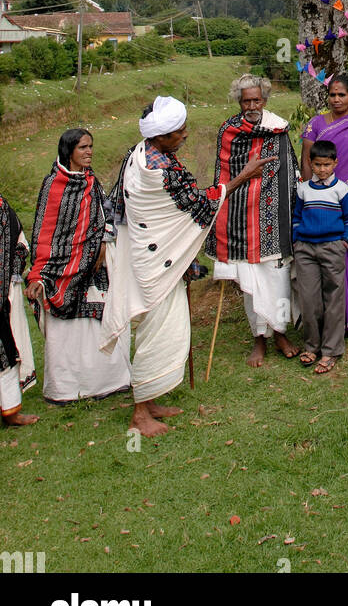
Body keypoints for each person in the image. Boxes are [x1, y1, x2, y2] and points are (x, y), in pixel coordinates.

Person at [100, 96, 269, 438]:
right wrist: (243, 176)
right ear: (160, 137)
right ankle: (139, 415)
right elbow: (199, 204)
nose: (185, 135)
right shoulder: (157, 171)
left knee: (163, 327)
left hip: (156, 254)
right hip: (156, 264)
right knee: (154, 331)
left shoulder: (138, 154)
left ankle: (150, 401)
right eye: (179, 132)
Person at [27, 128, 131, 403]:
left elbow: (105, 212)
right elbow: (46, 231)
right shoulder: (53, 186)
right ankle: (66, 389)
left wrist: (104, 241)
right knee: (67, 334)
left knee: (99, 322)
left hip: (95, 268)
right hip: (61, 269)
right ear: (69, 151)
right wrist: (40, 273)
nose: (89, 152)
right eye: (83, 147)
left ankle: (108, 382)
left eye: (91, 147)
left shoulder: (91, 181)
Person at [207, 74, 299, 366]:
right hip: (242, 223)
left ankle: (281, 333)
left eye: (256, 100)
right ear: (239, 101)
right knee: (251, 282)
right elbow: (224, 176)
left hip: (274, 221)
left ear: (265, 99)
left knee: (279, 278)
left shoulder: (278, 128)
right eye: (246, 100)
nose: (251, 105)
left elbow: (289, 171)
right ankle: (259, 338)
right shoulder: (229, 131)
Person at [301, 75, 348, 341]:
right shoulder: (315, 124)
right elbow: (307, 165)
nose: (336, 100)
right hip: (323, 206)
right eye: (332, 95)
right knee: (331, 264)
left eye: (342, 95)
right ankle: (337, 323)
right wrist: (312, 198)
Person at [293, 139, 348, 373]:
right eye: (317, 165)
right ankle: (311, 345)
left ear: (335, 163)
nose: (322, 170)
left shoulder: (342, 190)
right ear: (310, 163)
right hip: (305, 249)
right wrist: (296, 237)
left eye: (327, 165)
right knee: (309, 300)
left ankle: (331, 350)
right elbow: (297, 217)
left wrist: (343, 243)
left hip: (333, 248)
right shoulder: (303, 189)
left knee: (333, 300)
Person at [1, 192, 38, 427]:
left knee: (5, 348)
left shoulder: (2, 207)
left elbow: (19, 244)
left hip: (4, 292)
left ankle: (10, 410)